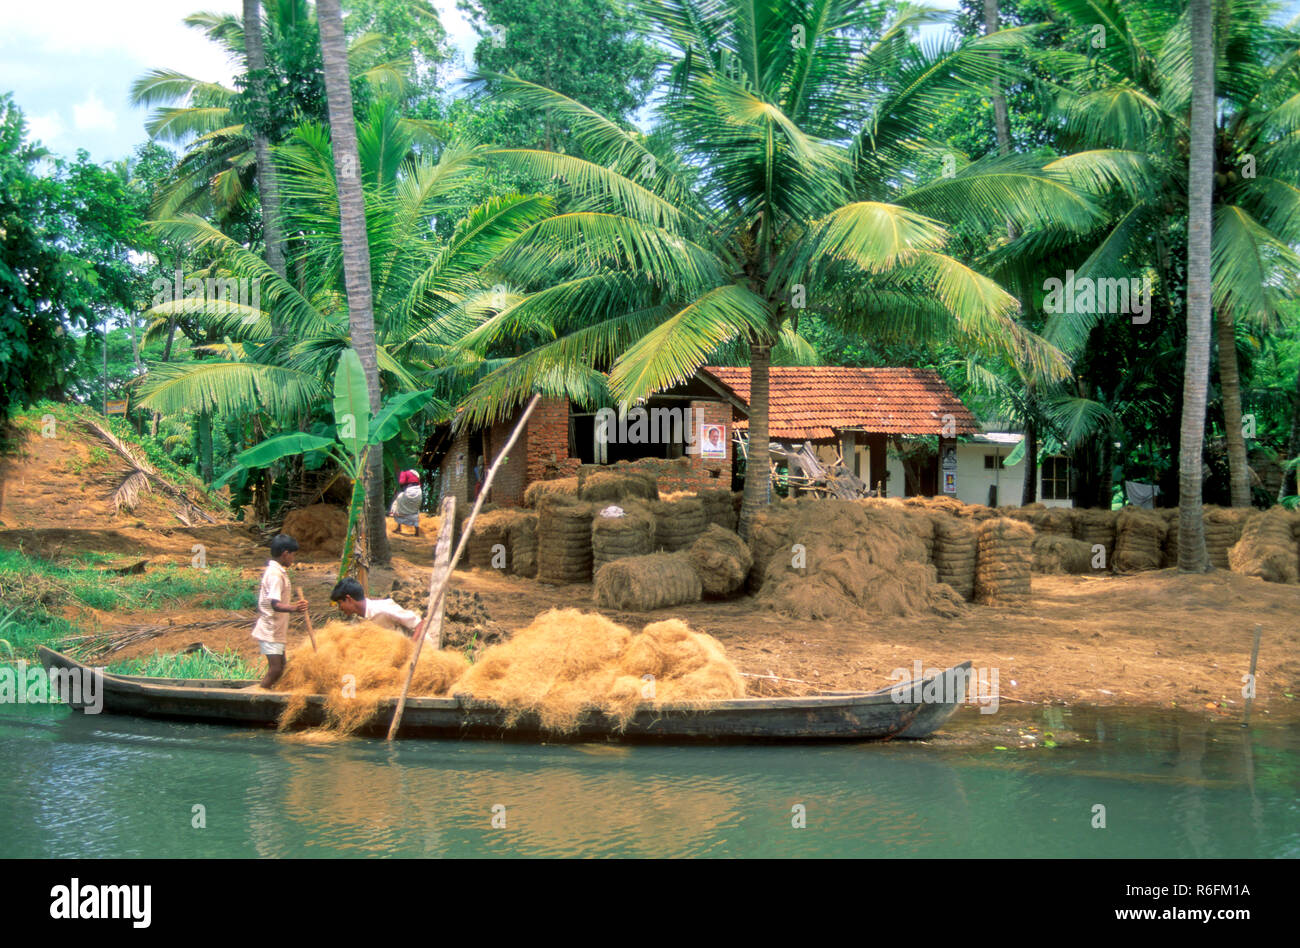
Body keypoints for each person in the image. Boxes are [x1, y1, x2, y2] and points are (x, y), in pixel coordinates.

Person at [251, 534, 308, 688]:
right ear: (285, 554)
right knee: (276, 669)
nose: (293, 559)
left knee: (282, 667)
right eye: (293, 555)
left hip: (276, 630)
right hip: (270, 630)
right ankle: (259, 694)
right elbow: (275, 604)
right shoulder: (275, 575)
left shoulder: (278, 572)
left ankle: (272, 693)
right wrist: (295, 608)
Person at [329, 577, 423, 636]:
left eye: (340, 603)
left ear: (349, 599)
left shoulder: (383, 608)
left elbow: (419, 624)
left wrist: (411, 650)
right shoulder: (357, 623)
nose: (340, 608)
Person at [390, 469, 423, 536]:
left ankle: (399, 528)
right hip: (418, 492)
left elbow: (401, 482)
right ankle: (416, 532)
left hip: (410, 492)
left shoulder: (404, 472)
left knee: (397, 504)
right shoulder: (415, 473)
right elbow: (419, 484)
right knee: (414, 510)